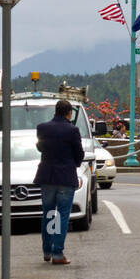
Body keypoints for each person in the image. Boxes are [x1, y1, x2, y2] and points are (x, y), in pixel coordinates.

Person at [34, 99, 84, 266]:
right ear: (69, 113)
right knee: (62, 215)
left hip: (47, 176)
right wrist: (74, 164)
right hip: (65, 177)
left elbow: (40, 148)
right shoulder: (73, 130)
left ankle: (47, 250)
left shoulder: (42, 128)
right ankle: (57, 253)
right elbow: (79, 153)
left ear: (55, 111)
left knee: (48, 213)